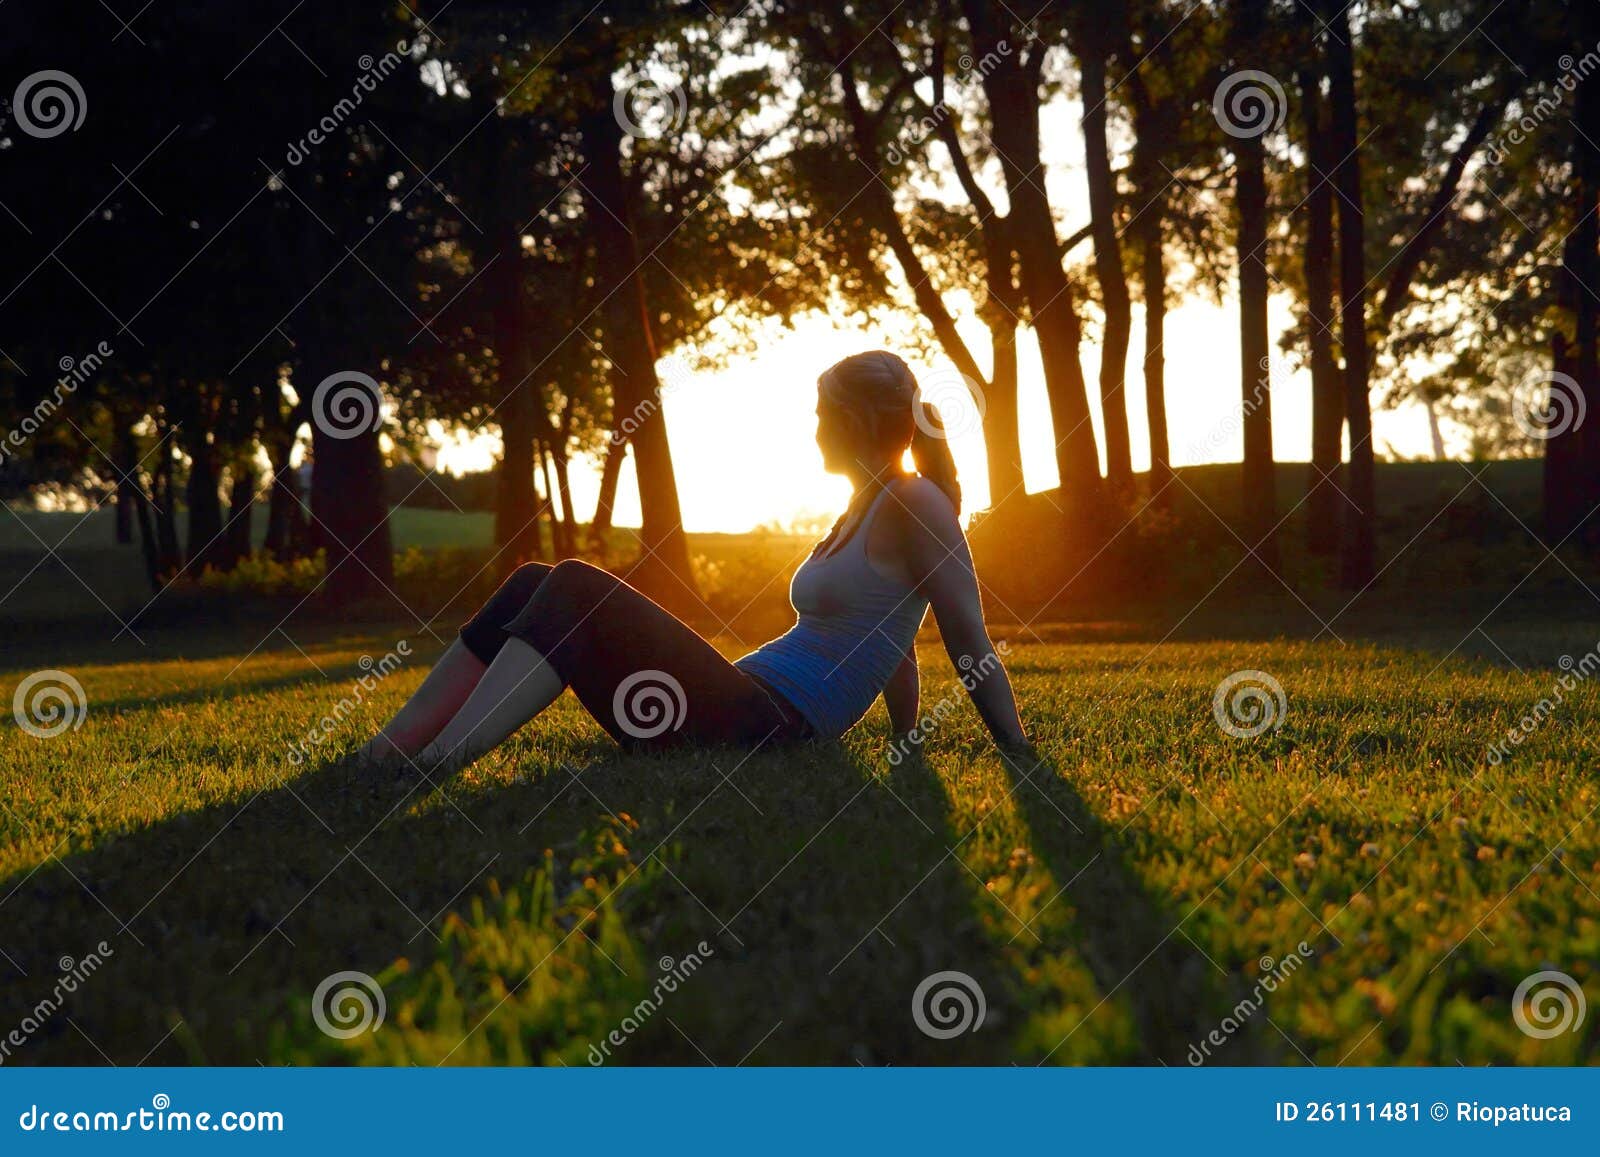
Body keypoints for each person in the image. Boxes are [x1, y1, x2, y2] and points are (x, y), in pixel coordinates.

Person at [359, 349, 1028, 775]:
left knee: (571, 588)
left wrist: (1018, 753)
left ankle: (441, 762)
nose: (814, 427)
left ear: (851, 419)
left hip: (769, 724)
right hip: (734, 704)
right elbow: (892, 636)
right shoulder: (867, 503)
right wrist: (902, 735)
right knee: (534, 581)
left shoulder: (916, 503)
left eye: (822, 413)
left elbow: (968, 635)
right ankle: (389, 752)